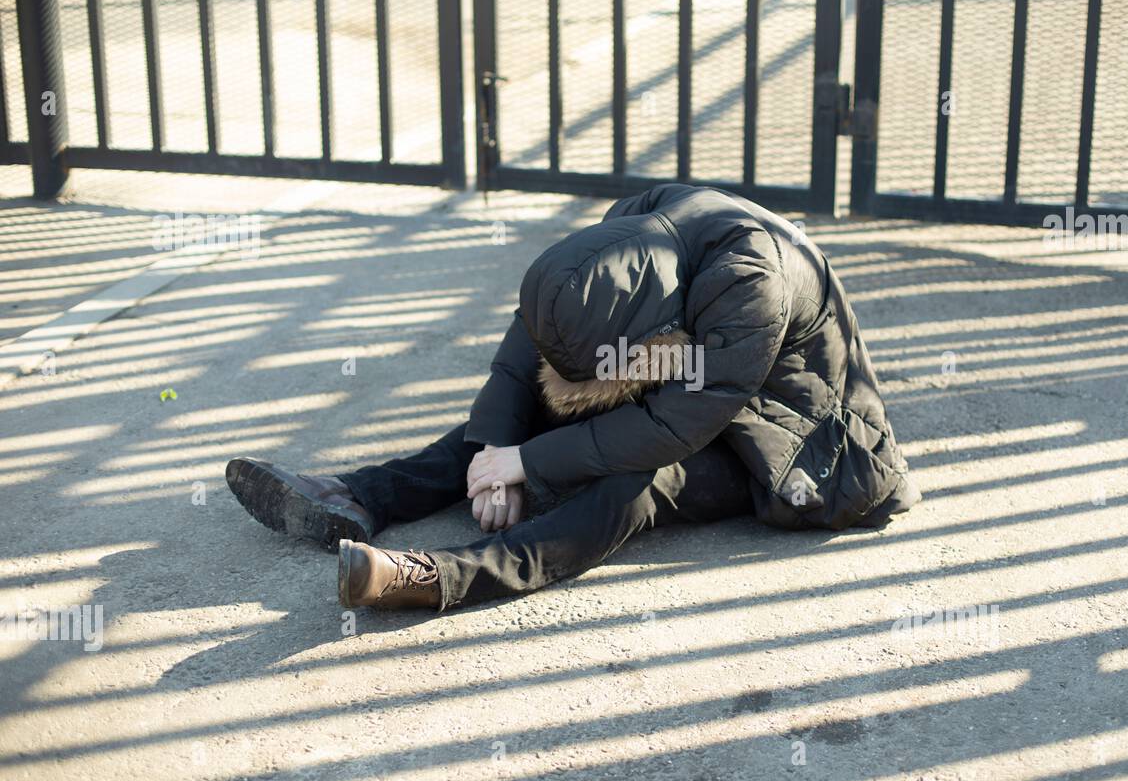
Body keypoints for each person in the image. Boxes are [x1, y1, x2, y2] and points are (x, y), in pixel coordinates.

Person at [226, 184, 918, 613]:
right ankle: (357, 497)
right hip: (695, 380)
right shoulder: (633, 226)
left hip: (791, 442)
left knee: (637, 483)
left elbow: (676, 426)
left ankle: (439, 577)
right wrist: (500, 449)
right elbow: (528, 347)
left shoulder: (751, 281)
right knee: (526, 413)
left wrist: (527, 467)